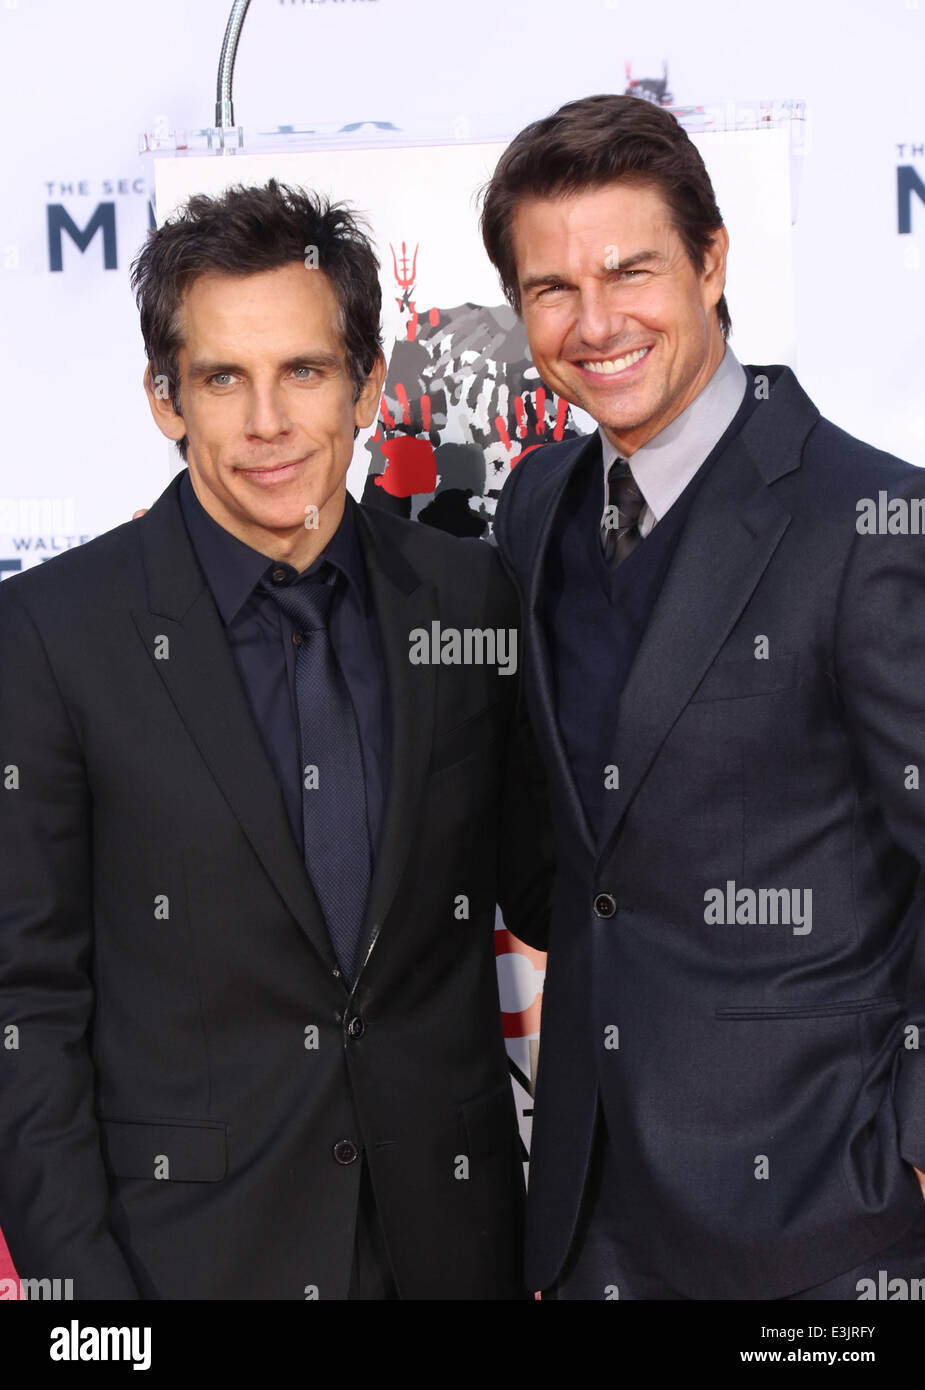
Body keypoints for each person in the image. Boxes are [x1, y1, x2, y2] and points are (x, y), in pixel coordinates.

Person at [0, 180, 552, 1300]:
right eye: (222, 378)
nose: (267, 424)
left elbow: (558, 889)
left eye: (303, 370)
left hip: (452, 1250)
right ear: (165, 399)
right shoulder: (54, 634)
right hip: (184, 1263)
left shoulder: (469, 594)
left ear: (365, 383)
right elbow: (26, 999)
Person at [481, 93, 925, 1300]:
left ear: (713, 261)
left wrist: (905, 1155)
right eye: (551, 289)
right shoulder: (536, 504)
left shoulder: (866, 524)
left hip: (819, 1223)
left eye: (631, 270)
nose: (595, 322)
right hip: (581, 1211)